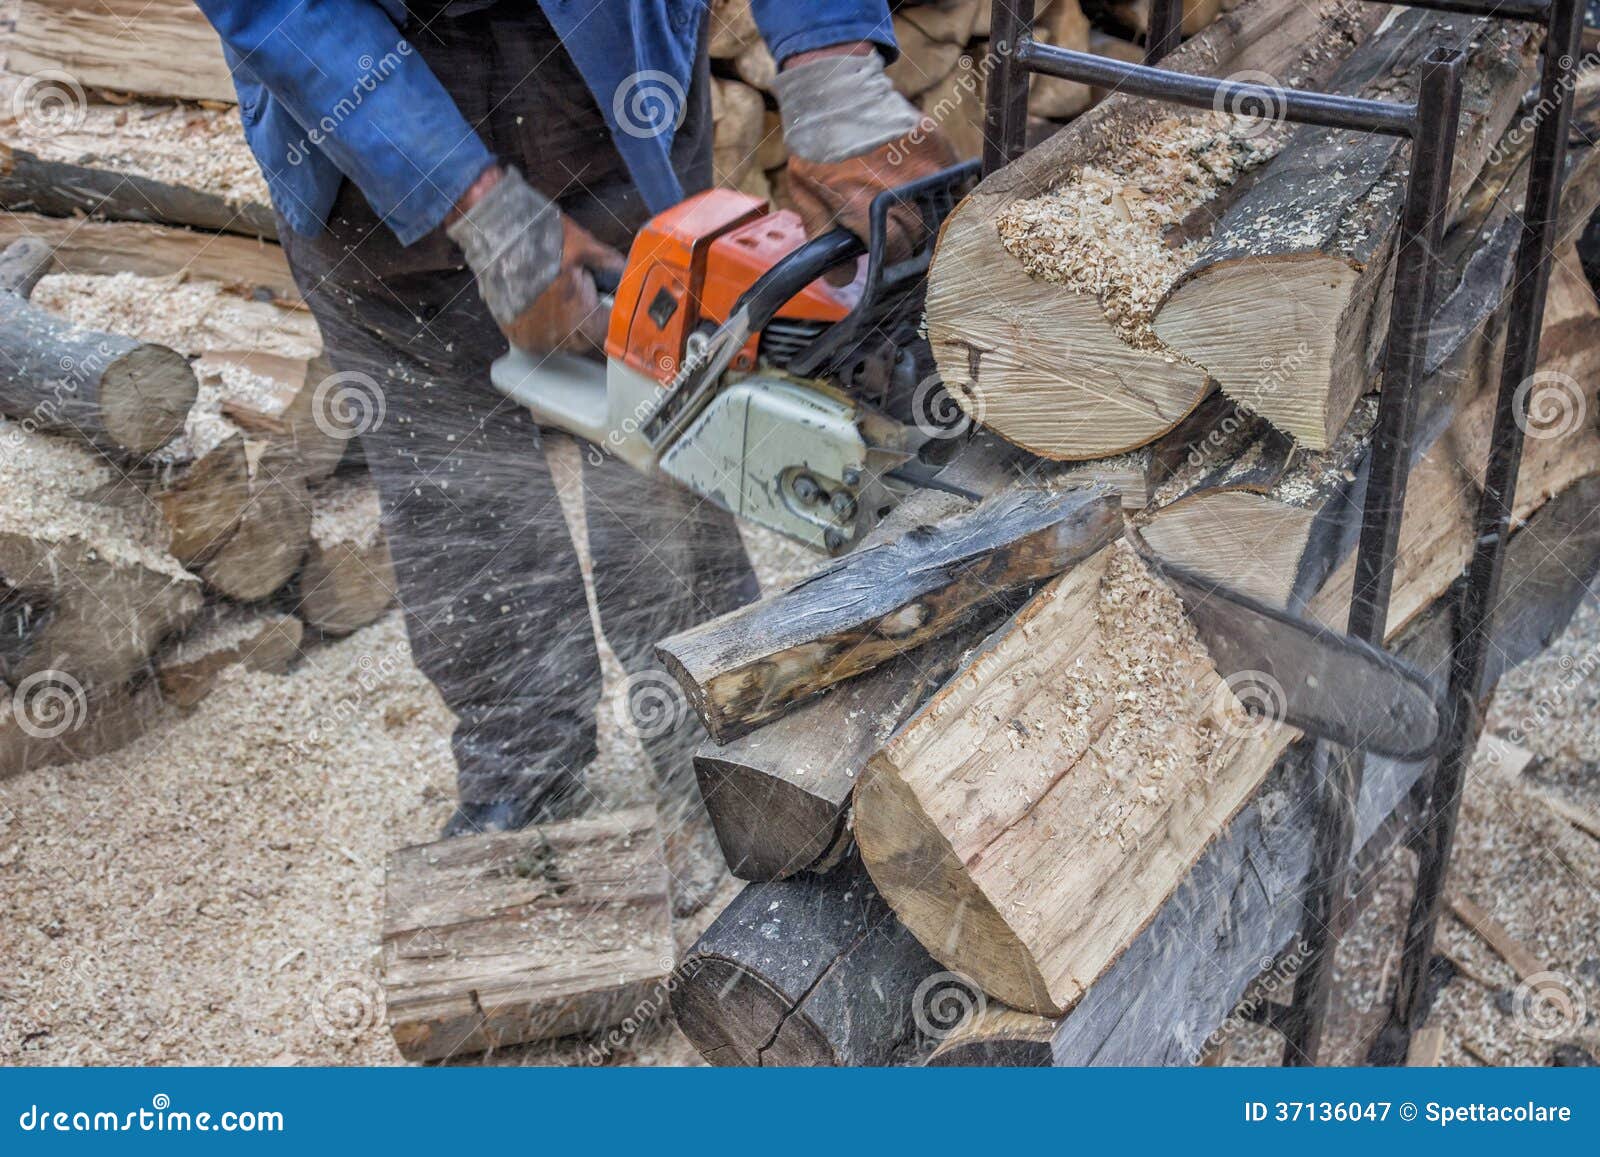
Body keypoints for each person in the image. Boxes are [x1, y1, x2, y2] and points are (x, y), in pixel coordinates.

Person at [192, 0, 957, 904]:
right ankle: (522, 756)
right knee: (448, 462)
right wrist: (463, 199)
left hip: (603, 70)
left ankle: (709, 742)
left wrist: (831, 69)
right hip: (353, 107)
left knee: (670, 423)